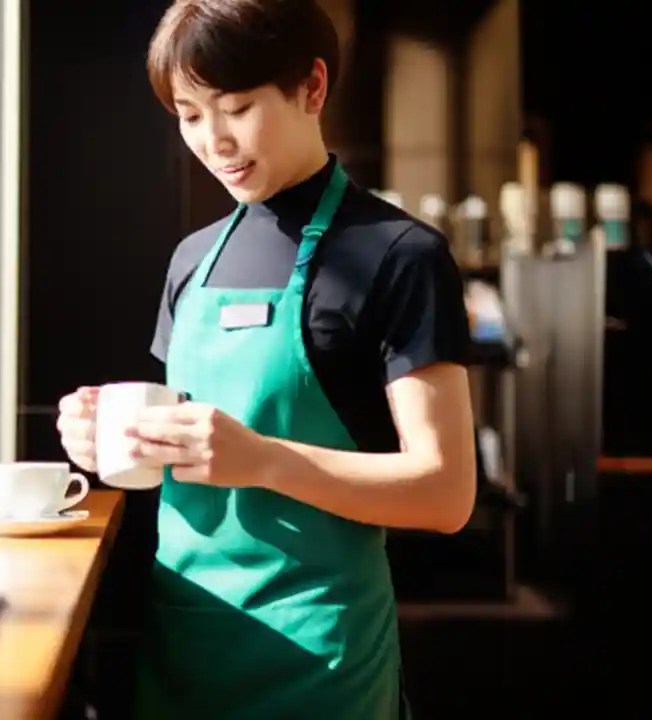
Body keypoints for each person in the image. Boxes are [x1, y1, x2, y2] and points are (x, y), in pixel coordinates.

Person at [56, 0, 476, 716]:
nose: (214, 140)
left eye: (237, 107)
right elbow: (191, 457)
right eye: (190, 115)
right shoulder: (192, 260)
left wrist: (263, 460)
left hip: (319, 662)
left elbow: (446, 494)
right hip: (187, 643)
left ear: (312, 88)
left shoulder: (400, 256)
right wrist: (106, 439)